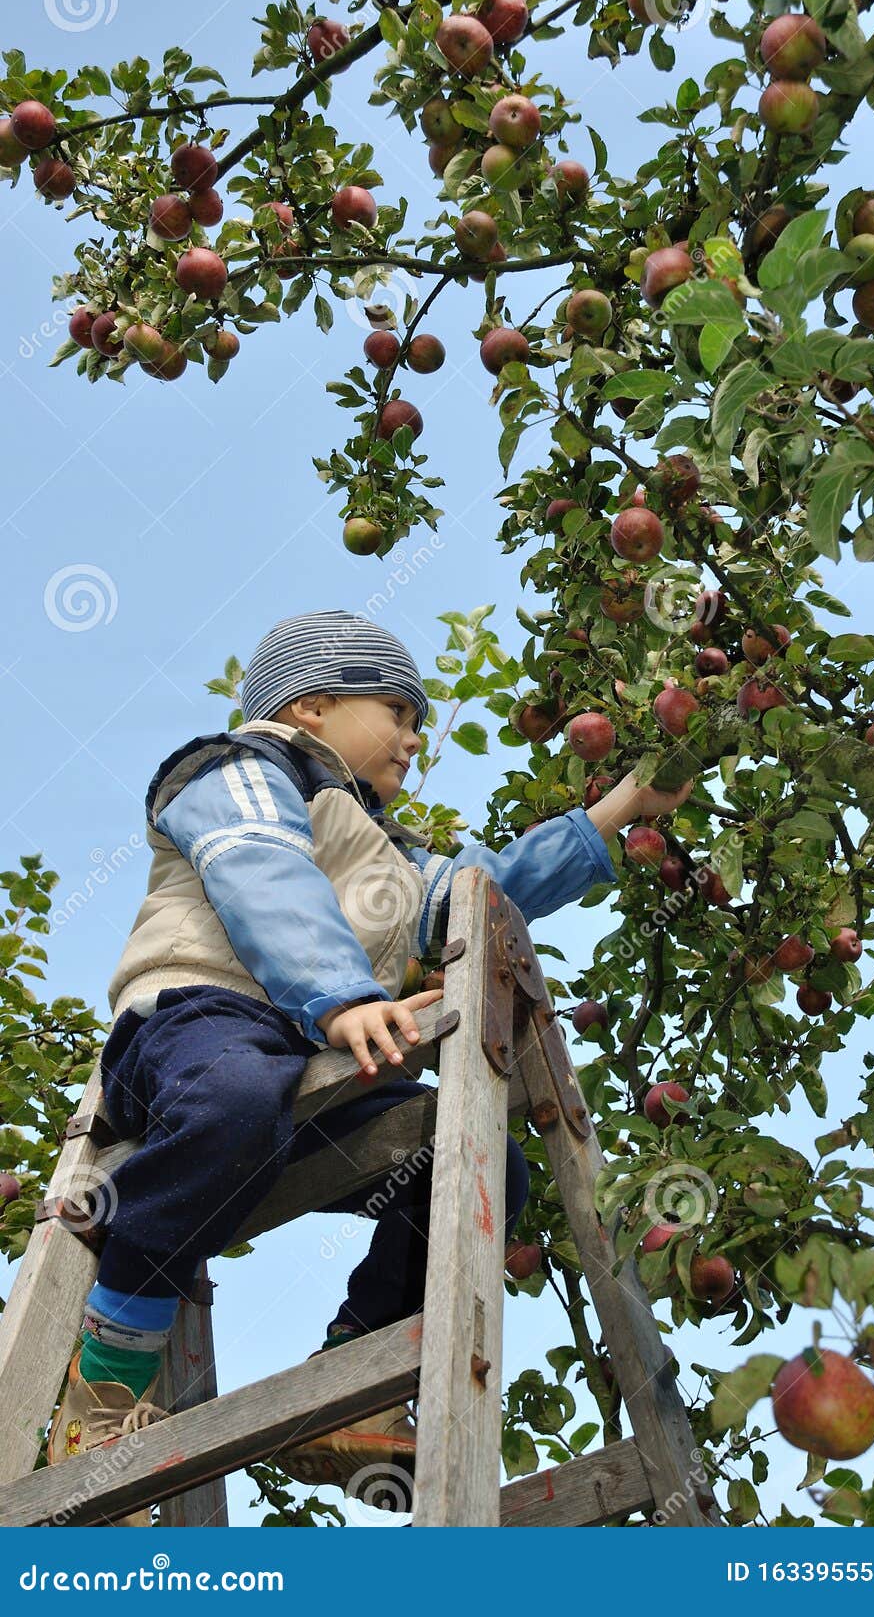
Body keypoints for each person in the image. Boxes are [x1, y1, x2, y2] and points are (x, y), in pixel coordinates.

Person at [46, 609, 694, 1520]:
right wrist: (341, 995)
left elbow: (481, 891)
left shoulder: (383, 848)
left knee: (472, 1164)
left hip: (305, 1063)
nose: (414, 737)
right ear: (310, 705)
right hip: (198, 1023)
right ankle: (108, 1375)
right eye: (398, 710)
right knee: (233, 1103)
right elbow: (260, 872)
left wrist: (621, 808)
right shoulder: (238, 769)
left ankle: (355, 1376)